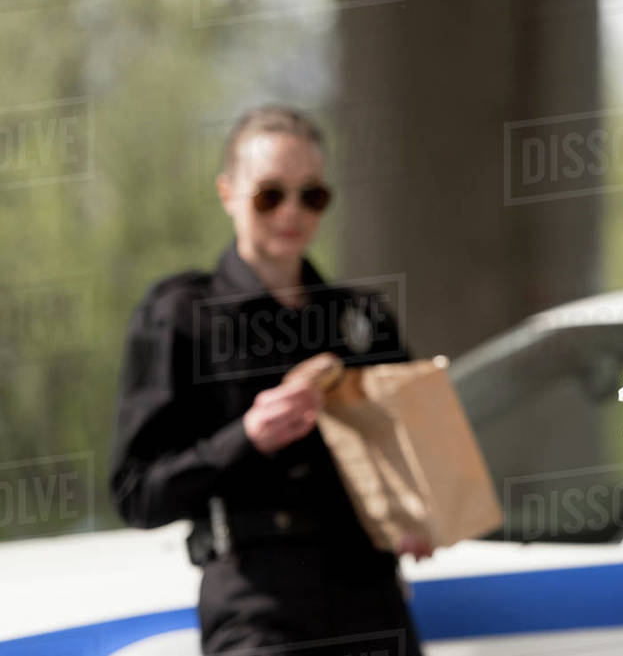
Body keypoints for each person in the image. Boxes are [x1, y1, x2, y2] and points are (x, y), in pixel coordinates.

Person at [109, 106, 428, 656]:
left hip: (368, 592)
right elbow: (138, 493)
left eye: (312, 196)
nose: (292, 212)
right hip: (257, 597)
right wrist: (246, 437)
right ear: (228, 192)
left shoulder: (361, 318)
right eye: (270, 194)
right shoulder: (182, 315)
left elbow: (415, 446)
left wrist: (420, 511)